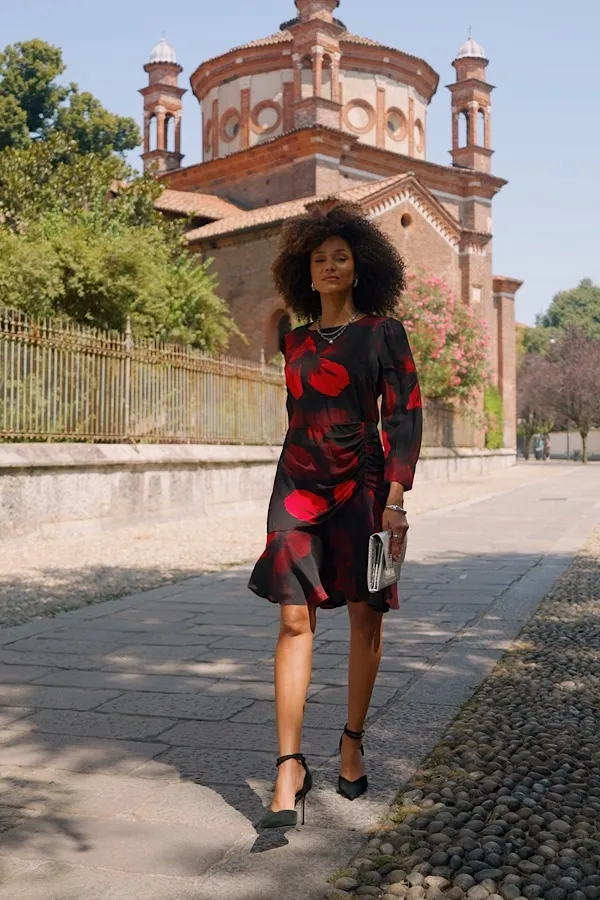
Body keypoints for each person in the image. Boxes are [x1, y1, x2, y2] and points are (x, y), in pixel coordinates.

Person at [248, 203, 423, 828]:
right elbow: (297, 415)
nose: (328, 266)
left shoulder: (383, 333)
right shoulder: (292, 339)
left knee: (363, 615)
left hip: (366, 485)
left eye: (339, 257)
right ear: (306, 269)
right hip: (297, 481)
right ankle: (289, 765)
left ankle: (351, 739)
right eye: (318, 258)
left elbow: (404, 417)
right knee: (294, 617)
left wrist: (396, 500)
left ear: (358, 267)